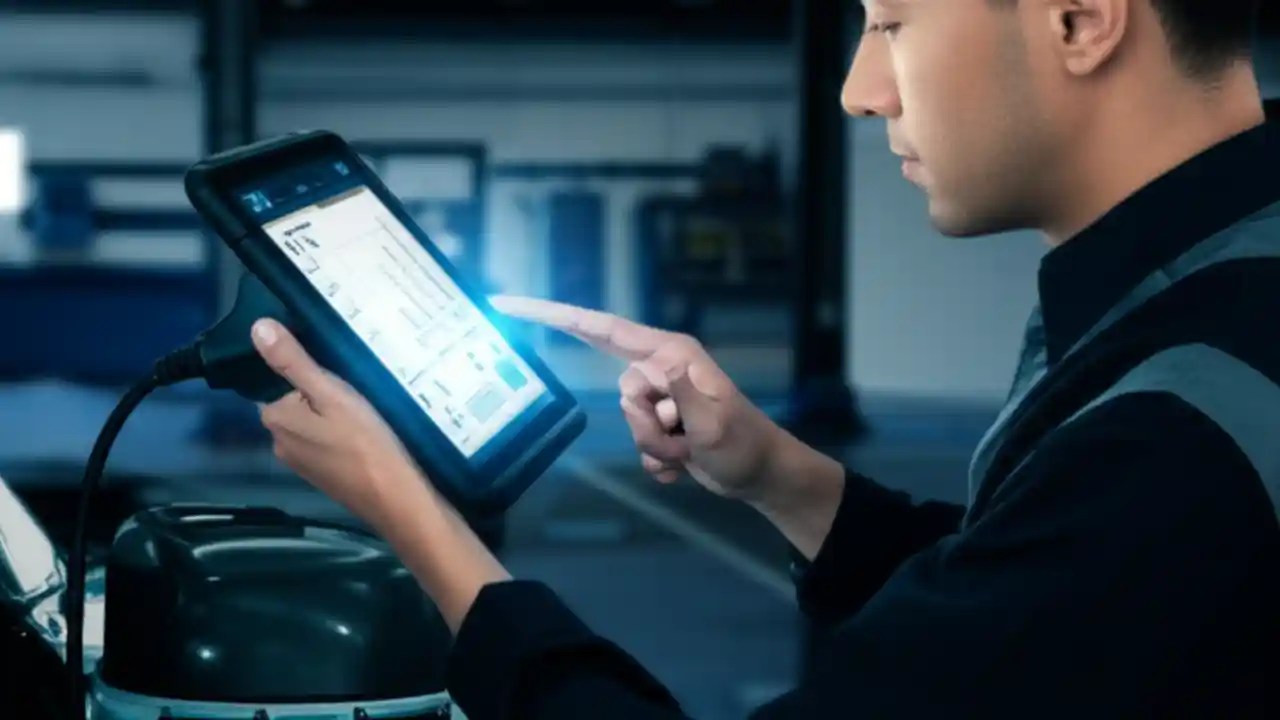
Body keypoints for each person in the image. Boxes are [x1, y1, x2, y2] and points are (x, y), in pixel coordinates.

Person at [249, 0, 1278, 716]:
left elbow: (1092, 555)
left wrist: (413, 520)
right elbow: (1039, 612)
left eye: (889, 24)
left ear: (1078, 19)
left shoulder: (1174, 433)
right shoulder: (1223, 282)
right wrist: (780, 477)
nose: (857, 90)